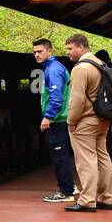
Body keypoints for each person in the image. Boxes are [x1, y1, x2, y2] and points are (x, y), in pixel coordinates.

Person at [64, 34, 112, 212]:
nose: (68, 52)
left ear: (81, 47)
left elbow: (77, 100)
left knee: (86, 161)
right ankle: (107, 198)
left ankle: (87, 200)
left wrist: (71, 121)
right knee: (103, 157)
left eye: (70, 49)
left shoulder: (80, 69)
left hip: (85, 121)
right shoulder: (101, 64)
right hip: (103, 118)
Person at [33, 38, 76, 203]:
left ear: (49, 51)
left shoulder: (53, 70)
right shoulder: (53, 68)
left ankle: (66, 191)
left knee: (60, 156)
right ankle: (69, 186)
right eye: (35, 52)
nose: (37, 55)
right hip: (60, 119)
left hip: (58, 120)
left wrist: (48, 116)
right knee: (62, 154)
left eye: (40, 51)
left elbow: (56, 97)